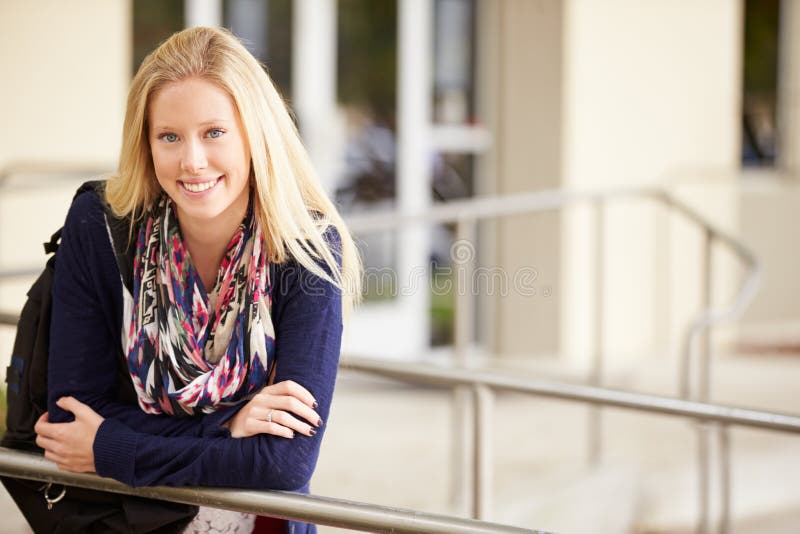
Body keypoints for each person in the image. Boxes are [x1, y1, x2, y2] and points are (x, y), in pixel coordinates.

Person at [32, 26, 361, 534]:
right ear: (145, 142)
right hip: (123, 520)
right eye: (169, 136)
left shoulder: (308, 249)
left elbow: (286, 462)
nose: (192, 161)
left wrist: (112, 446)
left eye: (214, 132)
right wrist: (228, 426)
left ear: (256, 132)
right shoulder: (100, 224)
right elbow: (71, 419)